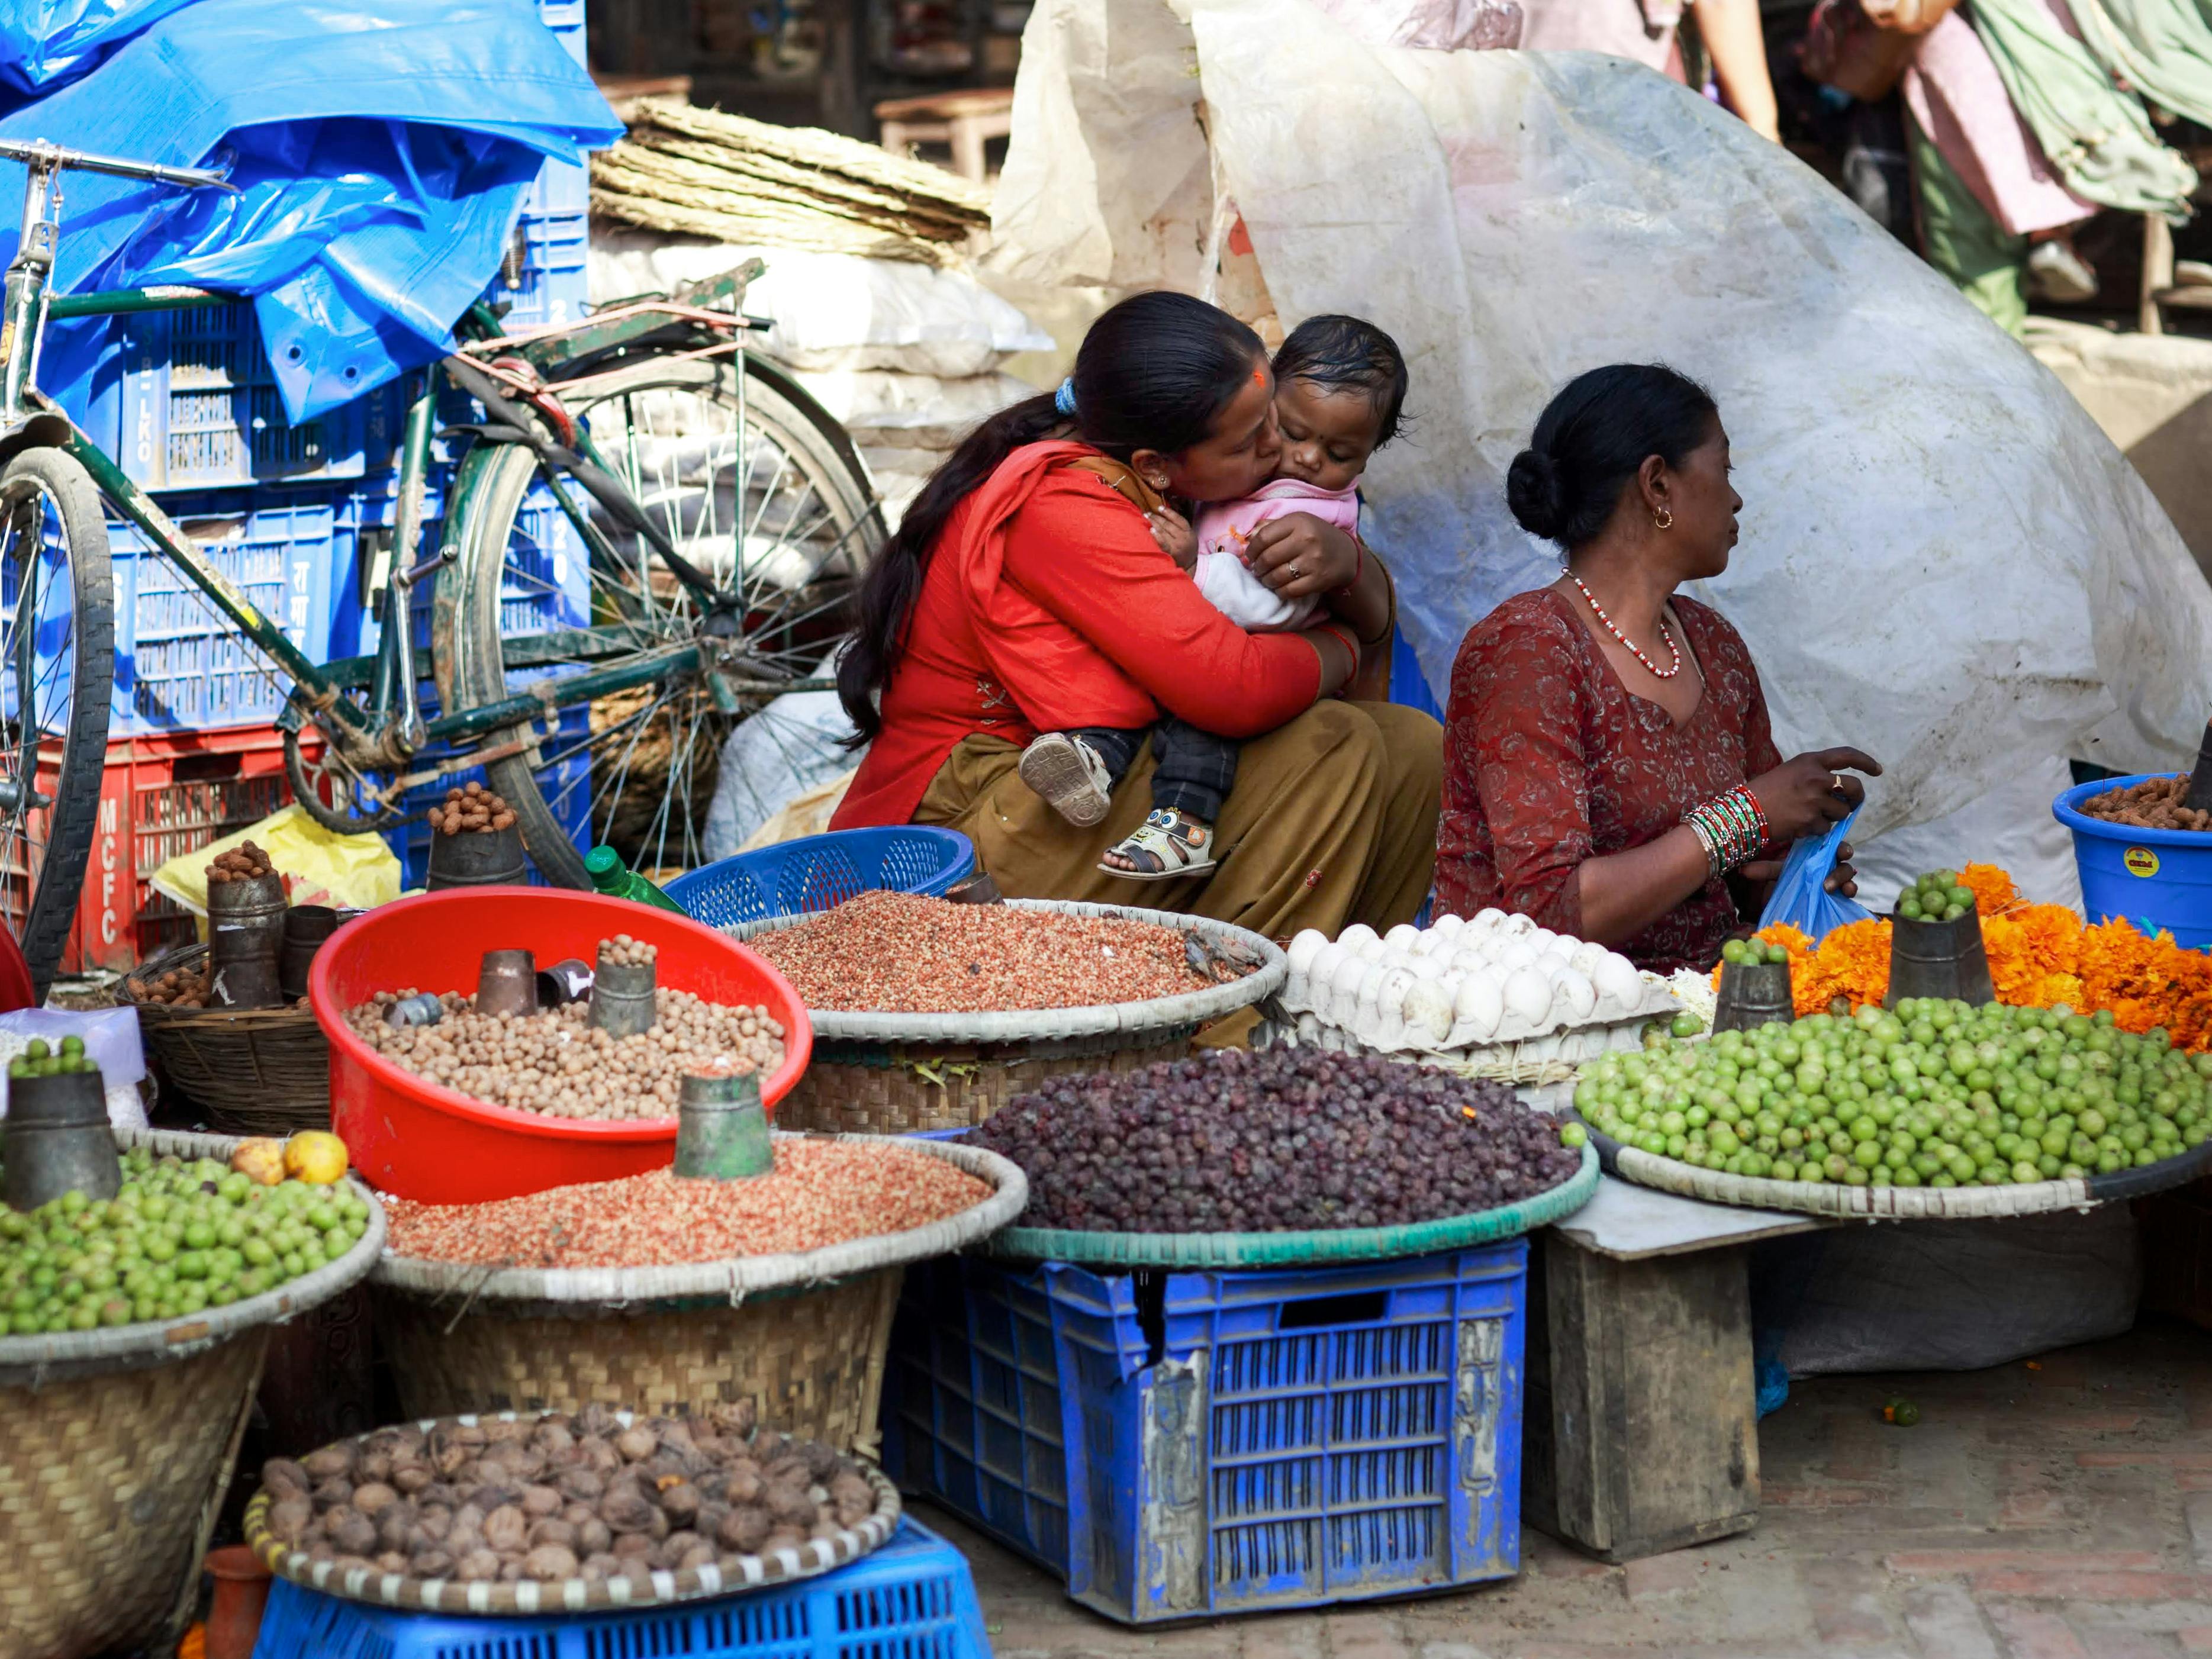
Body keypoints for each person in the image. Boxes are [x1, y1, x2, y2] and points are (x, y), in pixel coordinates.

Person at [829, 291, 1439, 943]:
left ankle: (1322, 1000)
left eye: (1272, 421)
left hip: (1084, 782)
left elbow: (1321, 607)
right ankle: (1222, 1024)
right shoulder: (1066, 505)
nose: (1279, 452)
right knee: (1332, 745)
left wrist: (1350, 564)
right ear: (1155, 463)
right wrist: (1345, 642)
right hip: (980, 821)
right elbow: (1232, 687)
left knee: (1416, 748)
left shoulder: (1173, 474)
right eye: (1261, 436)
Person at [1437, 363, 1880, 972]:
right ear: (1657, 485)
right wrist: (1743, 818)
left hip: (1702, 1000)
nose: (1735, 496)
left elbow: (1744, 867)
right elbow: (1547, 912)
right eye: (1723, 468)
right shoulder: (1526, 649)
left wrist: (1799, 862)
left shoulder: (1712, 645)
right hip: (1541, 1026)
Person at [1015, 314, 1410, 883]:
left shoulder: (1313, 511)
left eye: (1340, 452)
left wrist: (1198, 568)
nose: (1298, 456)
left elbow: (1272, 614)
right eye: (1281, 431)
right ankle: (1094, 759)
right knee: (1133, 693)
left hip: (1251, 656)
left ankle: (1185, 824)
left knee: (1203, 733)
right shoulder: (1077, 494)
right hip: (1207, 659)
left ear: (1369, 454)